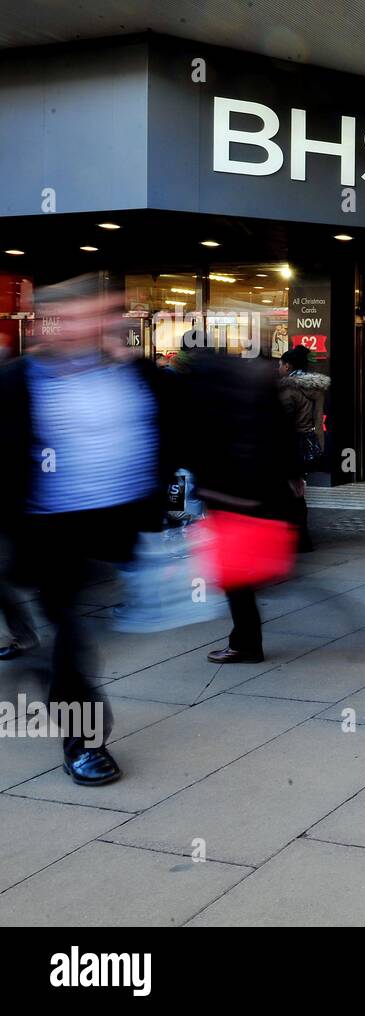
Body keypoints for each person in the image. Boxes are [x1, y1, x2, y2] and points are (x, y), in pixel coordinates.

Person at [0, 274, 176, 785]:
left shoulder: (135, 374)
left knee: (94, 635)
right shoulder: (17, 382)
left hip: (121, 529)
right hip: (52, 532)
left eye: (99, 314)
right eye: (77, 315)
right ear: (48, 323)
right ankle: (85, 743)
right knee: (74, 639)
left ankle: (46, 671)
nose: (91, 324)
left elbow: (178, 425)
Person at [187, 345, 301, 664]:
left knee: (234, 574)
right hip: (264, 493)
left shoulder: (211, 400)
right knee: (243, 567)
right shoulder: (260, 392)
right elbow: (284, 434)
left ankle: (246, 642)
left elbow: (196, 446)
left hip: (229, 498)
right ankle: (257, 599)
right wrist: (292, 475)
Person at [278, 344, 329, 552]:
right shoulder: (314, 388)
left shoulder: (288, 389)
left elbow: (283, 421)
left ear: (288, 366)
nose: (278, 368)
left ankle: (294, 538)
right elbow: (317, 420)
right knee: (298, 490)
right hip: (308, 443)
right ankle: (302, 538)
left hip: (290, 444)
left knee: (289, 491)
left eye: (280, 364)